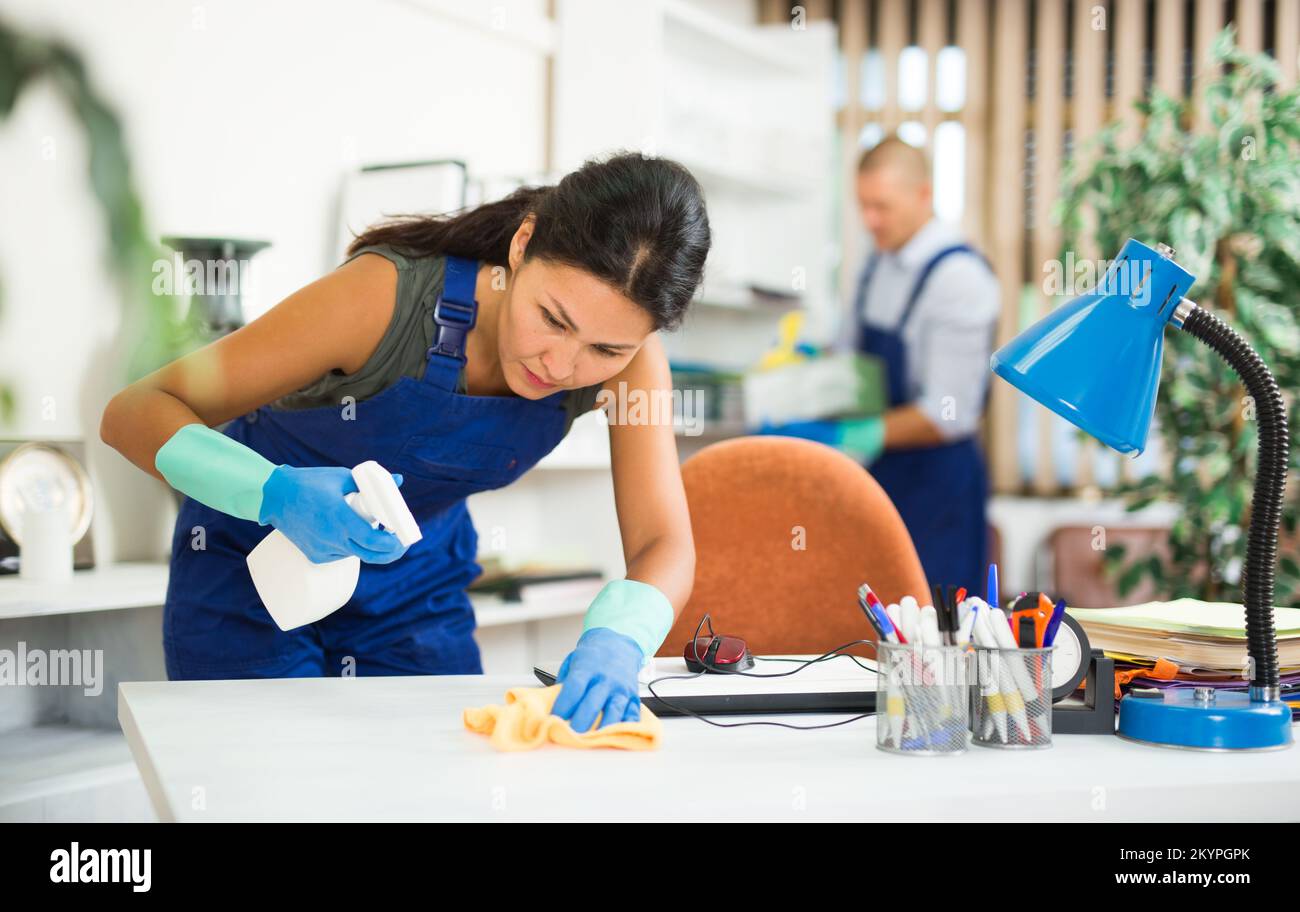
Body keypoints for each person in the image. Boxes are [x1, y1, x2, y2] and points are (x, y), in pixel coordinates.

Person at [100, 152, 709, 732]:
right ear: (522, 245)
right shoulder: (382, 297)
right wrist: (273, 492)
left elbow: (663, 541)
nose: (560, 364)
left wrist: (621, 638)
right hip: (256, 572)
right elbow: (135, 411)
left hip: (414, 594)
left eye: (605, 350)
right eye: (553, 318)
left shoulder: (633, 364)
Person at [764, 137, 999, 590]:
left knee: (932, 627)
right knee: (867, 616)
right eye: (863, 206)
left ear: (923, 195)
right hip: (879, 474)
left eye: (882, 207)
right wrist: (808, 372)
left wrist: (848, 436)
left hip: (938, 485)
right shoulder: (877, 264)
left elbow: (947, 414)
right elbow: (851, 357)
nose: (870, 220)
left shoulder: (960, 279)